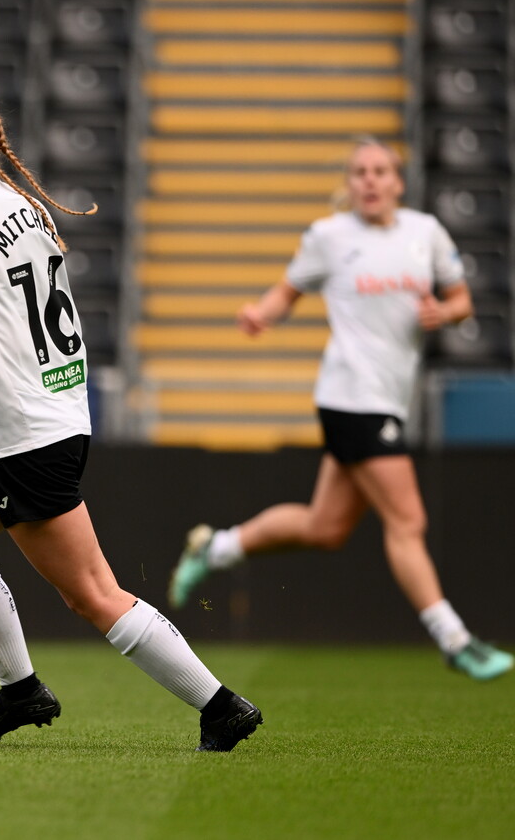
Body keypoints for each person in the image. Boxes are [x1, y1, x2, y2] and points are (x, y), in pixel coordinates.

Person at [0, 87, 263, 751]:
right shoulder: (21, 207)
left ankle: (220, 705)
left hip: (20, 431)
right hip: (49, 412)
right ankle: (21, 690)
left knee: (93, 593)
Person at [168, 138, 513, 682]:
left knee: (324, 526)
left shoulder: (426, 233)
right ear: (350, 184)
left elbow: (463, 299)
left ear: (398, 182)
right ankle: (456, 640)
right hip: (351, 397)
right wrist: (261, 314)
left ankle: (217, 547)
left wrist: (443, 312)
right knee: (408, 520)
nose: (370, 181)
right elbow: (288, 291)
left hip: (388, 400)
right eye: (360, 173)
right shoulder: (329, 237)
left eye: (380, 172)